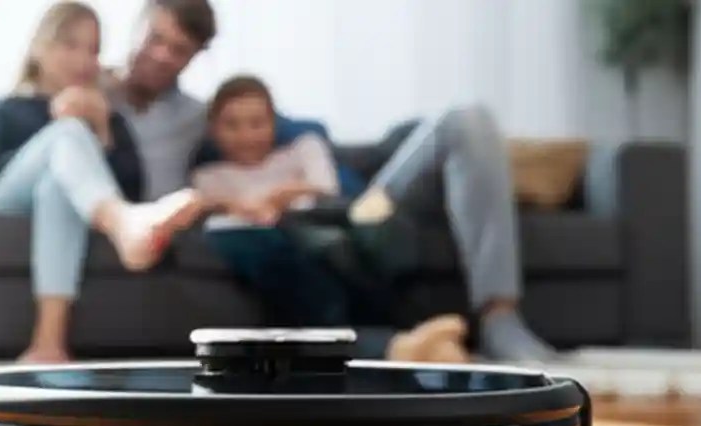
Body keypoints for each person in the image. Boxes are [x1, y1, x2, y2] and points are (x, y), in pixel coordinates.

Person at [106, 0, 555, 362]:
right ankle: (404, 344)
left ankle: (500, 320)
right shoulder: (101, 95)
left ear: (196, 57)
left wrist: (307, 175)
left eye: (179, 48)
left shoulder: (201, 117)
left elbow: (276, 133)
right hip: (303, 232)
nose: (163, 54)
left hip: (363, 207)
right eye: (156, 38)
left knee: (467, 119)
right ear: (136, 26)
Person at [0, 1, 203, 363]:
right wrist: (57, 128)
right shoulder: (11, 109)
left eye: (94, 49)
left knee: (56, 187)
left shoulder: (111, 119)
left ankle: (48, 344)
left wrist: (101, 129)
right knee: (66, 135)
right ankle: (125, 225)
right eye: (71, 45)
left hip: (67, 205)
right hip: (6, 201)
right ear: (41, 47)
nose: (83, 59)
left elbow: (132, 187)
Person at [192, 75, 468, 363]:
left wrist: (278, 195)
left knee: (364, 247)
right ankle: (400, 346)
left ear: (274, 122)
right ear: (213, 129)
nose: (246, 136)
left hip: (321, 237)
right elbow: (213, 207)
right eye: (231, 125)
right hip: (269, 248)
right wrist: (248, 206)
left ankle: (409, 341)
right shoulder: (209, 176)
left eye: (256, 123)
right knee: (284, 266)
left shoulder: (303, 148)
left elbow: (326, 188)